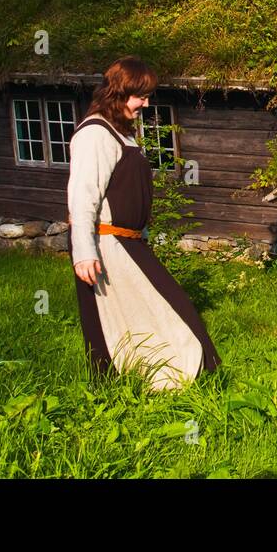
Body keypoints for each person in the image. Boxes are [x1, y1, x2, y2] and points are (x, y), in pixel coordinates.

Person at [66, 55, 221, 389]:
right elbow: (83, 196)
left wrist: (142, 234)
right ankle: (144, 380)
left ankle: (171, 374)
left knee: (151, 306)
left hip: (127, 240)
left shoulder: (121, 135)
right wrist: (84, 251)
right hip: (105, 243)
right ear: (119, 93)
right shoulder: (94, 135)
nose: (146, 104)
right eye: (141, 96)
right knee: (125, 314)